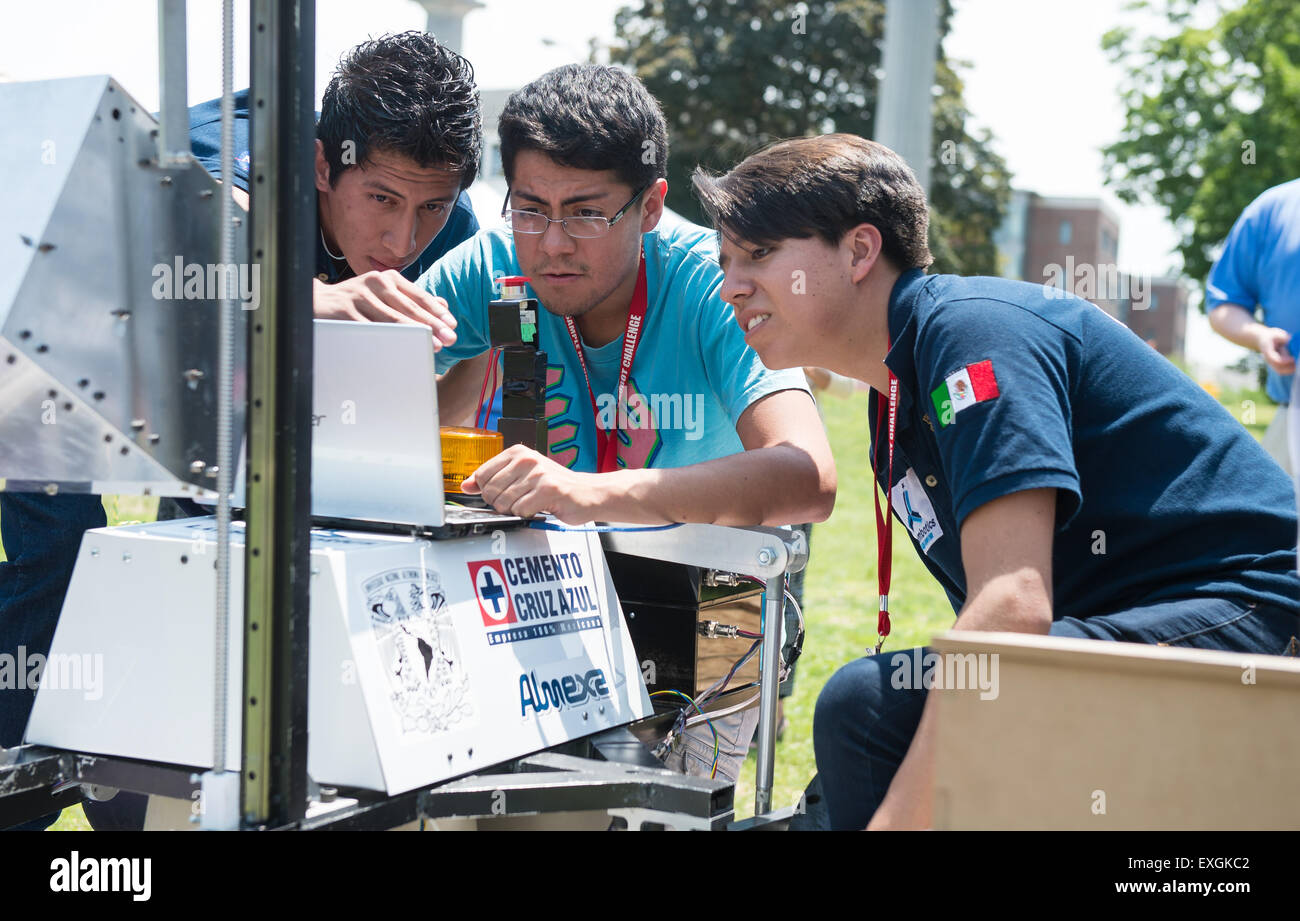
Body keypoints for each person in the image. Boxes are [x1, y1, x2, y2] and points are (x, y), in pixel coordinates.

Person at [692, 133, 1300, 830]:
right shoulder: (898, 390)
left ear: (860, 251)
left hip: (1256, 613)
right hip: (1127, 625)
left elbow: (1012, 609)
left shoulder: (971, 334)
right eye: (725, 261)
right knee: (865, 707)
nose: (731, 284)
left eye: (759, 254)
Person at [0, 30, 479, 830]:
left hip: (212, 373)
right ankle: (22, 798)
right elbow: (199, 243)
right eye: (383, 201)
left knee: (224, 544)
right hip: (55, 328)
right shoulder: (239, 156)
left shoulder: (451, 221)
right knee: (61, 560)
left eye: (430, 207)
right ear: (322, 166)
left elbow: (433, 386)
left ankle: (173, 771)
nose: (403, 242)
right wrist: (311, 296)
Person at [426, 64, 835, 529]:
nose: (553, 244)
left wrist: (588, 493)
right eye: (530, 209)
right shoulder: (493, 264)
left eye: (586, 213)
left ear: (651, 207)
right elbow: (353, 403)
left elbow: (809, 476)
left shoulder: (714, 284)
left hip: (700, 591)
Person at [1206, 179, 1300, 474]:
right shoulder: (1272, 210)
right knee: (1277, 517)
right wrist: (1261, 337)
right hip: (1292, 417)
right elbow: (1223, 303)